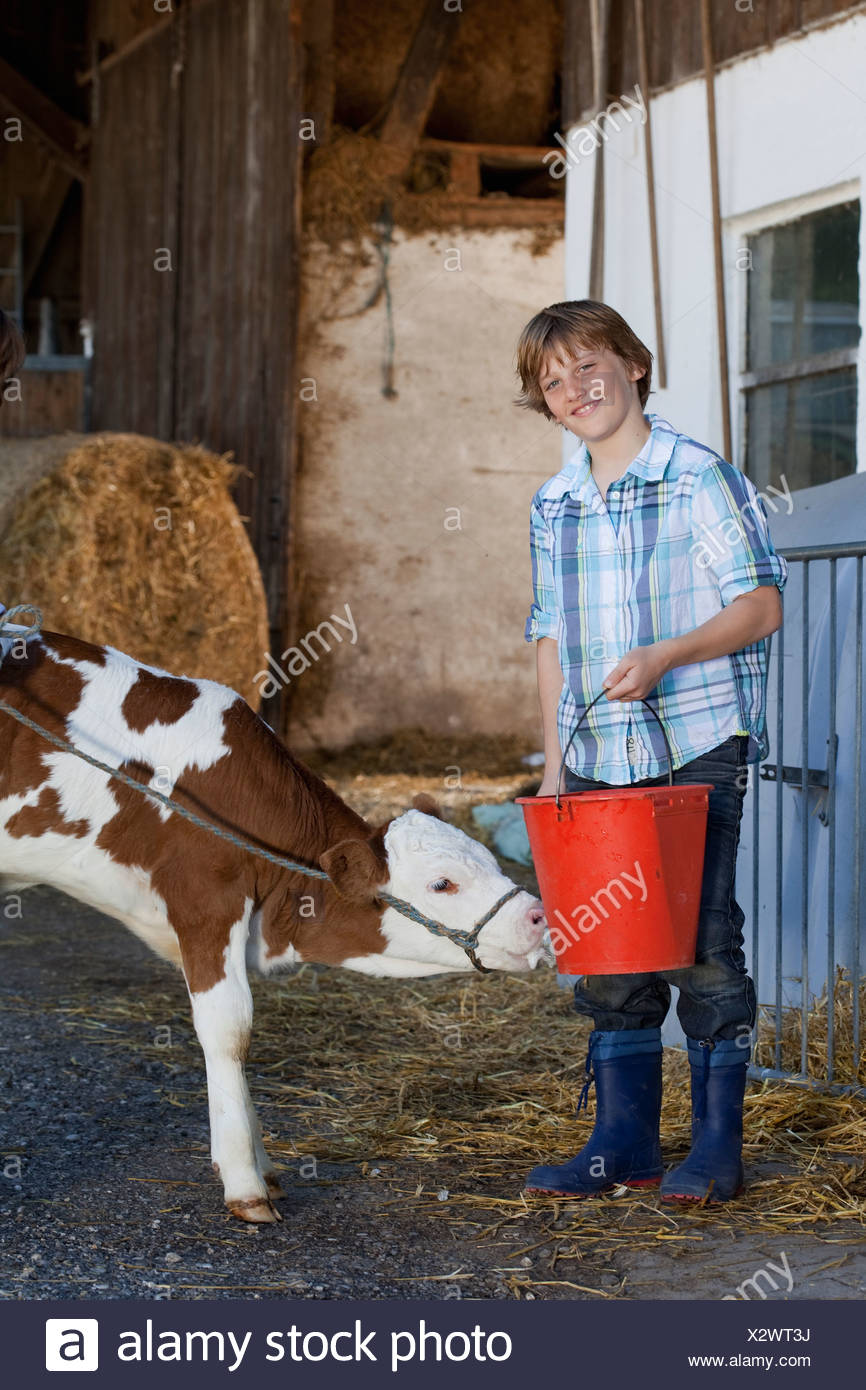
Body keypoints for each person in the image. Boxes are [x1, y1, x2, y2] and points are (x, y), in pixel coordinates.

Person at [516, 300, 787, 1203]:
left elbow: (760, 606)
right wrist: (556, 764)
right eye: (553, 381)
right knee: (610, 954)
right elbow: (551, 638)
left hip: (695, 743)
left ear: (634, 365)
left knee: (702, 945)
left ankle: (715, 1149)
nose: (574, 389)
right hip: (596, 754)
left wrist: (668, 655)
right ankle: (621, 1144)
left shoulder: (697, 477)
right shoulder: (552, 506)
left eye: (588, 366)